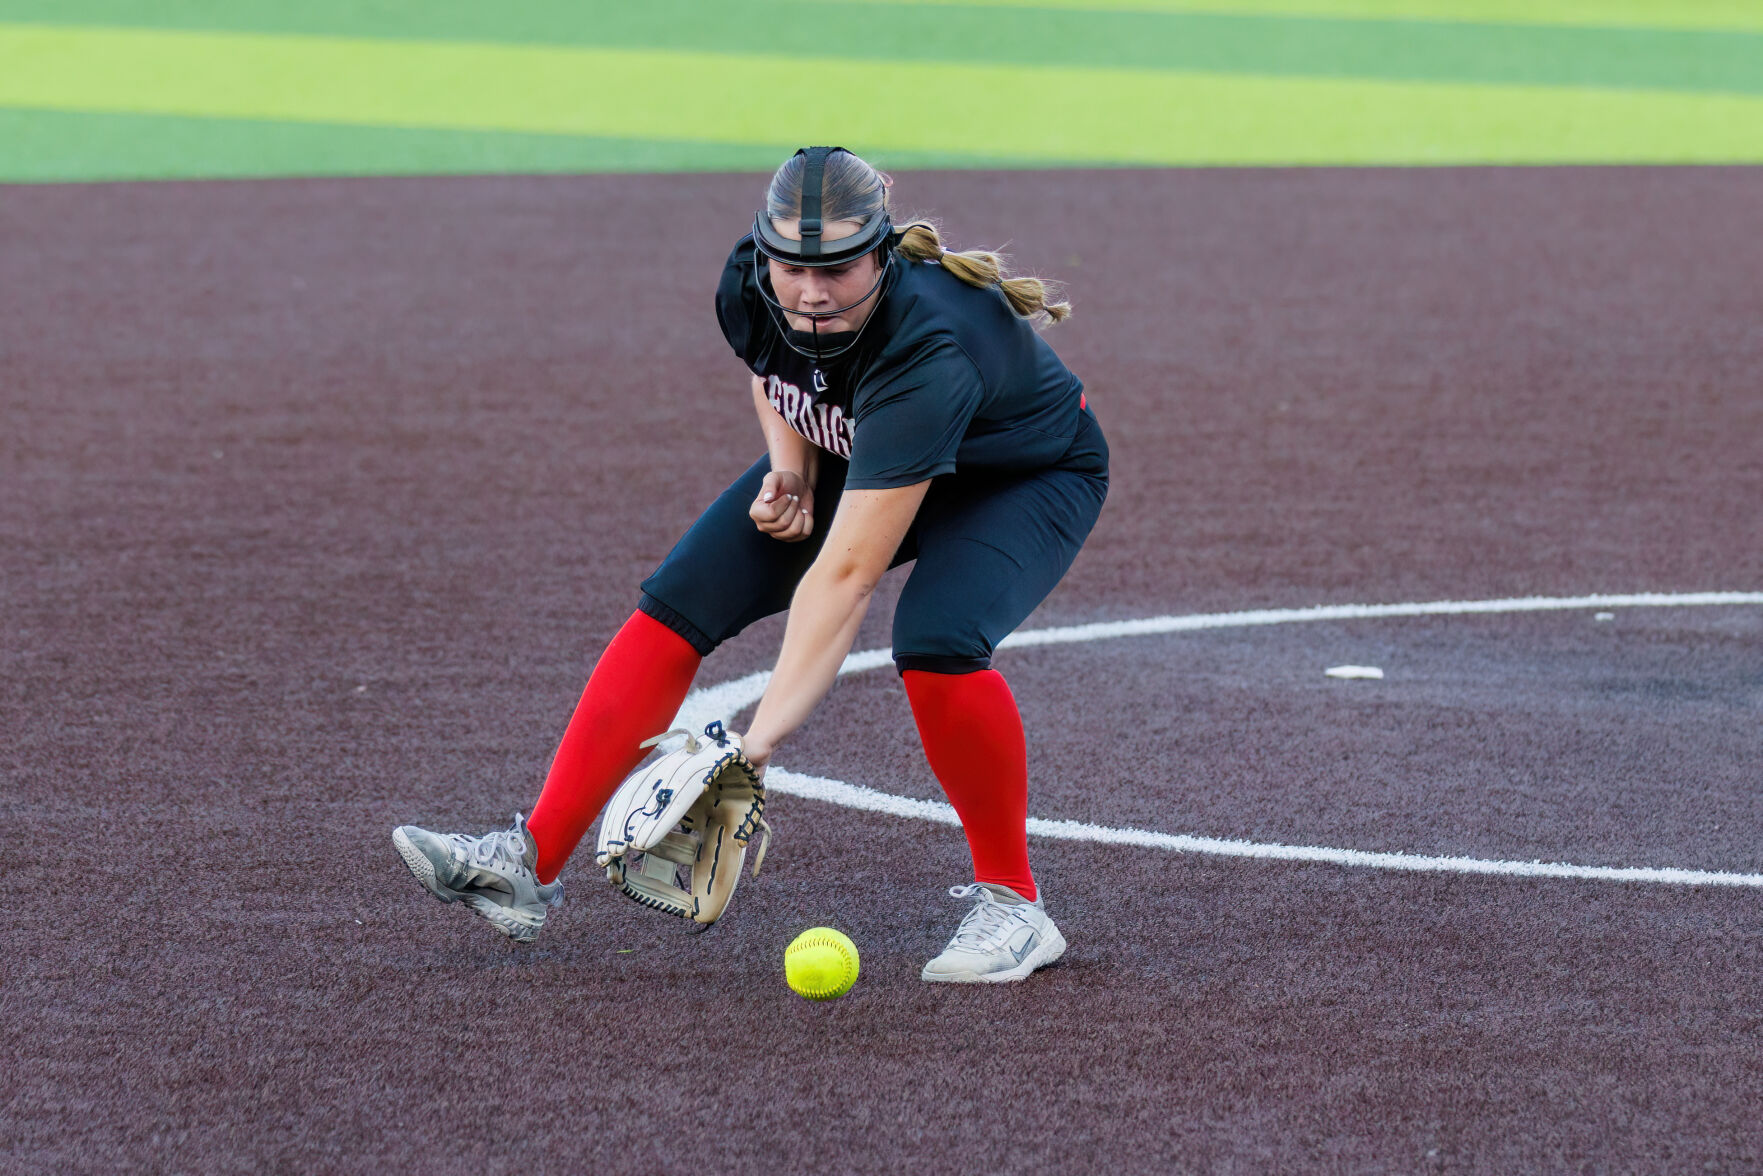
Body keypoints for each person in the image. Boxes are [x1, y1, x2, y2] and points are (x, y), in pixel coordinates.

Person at [392, 147, 1109, 984]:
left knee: (937, 639)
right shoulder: (753, 280)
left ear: (880, 251)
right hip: (867, 446)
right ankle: (527, 861)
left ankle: (1016, 908)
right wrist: (792, 469)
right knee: (681, 599)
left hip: (1019, 477)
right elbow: (780, 376)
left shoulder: (929, 345)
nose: (810, 291)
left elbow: (844, 582)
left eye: (838, 269)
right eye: (793, 267)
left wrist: (754, 745)